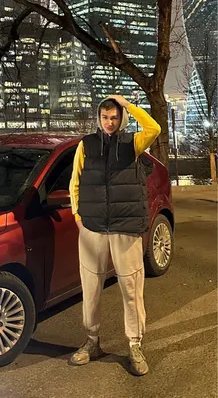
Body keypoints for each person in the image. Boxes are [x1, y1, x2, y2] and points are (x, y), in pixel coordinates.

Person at [69, 94, 161, 376]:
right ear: (99, 118)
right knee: (91, 287)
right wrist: (78, 217)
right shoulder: (86, 144)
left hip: (125, 226)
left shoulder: (133, 143)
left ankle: (135, 343)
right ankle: (91, 340)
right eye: (105, 117)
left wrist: (128, 104)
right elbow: (75, 181)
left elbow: (154, 128)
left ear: (122, 119)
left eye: (114, 117)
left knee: (131, 288)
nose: (109, 122)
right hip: (92, 226)